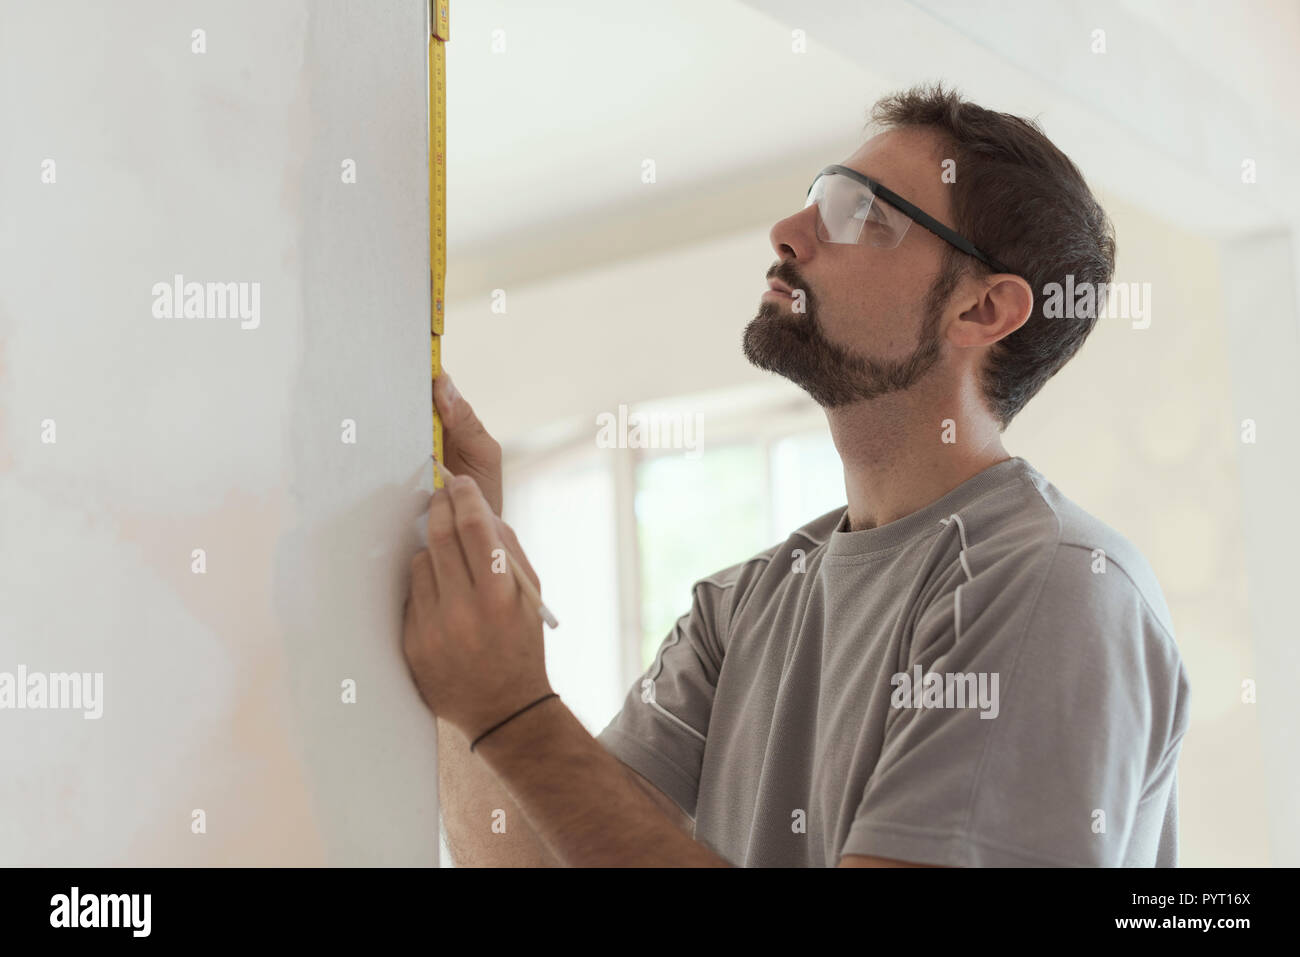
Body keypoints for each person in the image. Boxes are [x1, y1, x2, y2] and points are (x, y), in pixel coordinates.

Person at [402, 83, 1191, 867]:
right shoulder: (740, 609)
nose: (786, 232)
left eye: (861, 212)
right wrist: (467, 576)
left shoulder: (1051, 587)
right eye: (816, 198)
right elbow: (529, 859)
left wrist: (514, 710)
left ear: (982, 311)